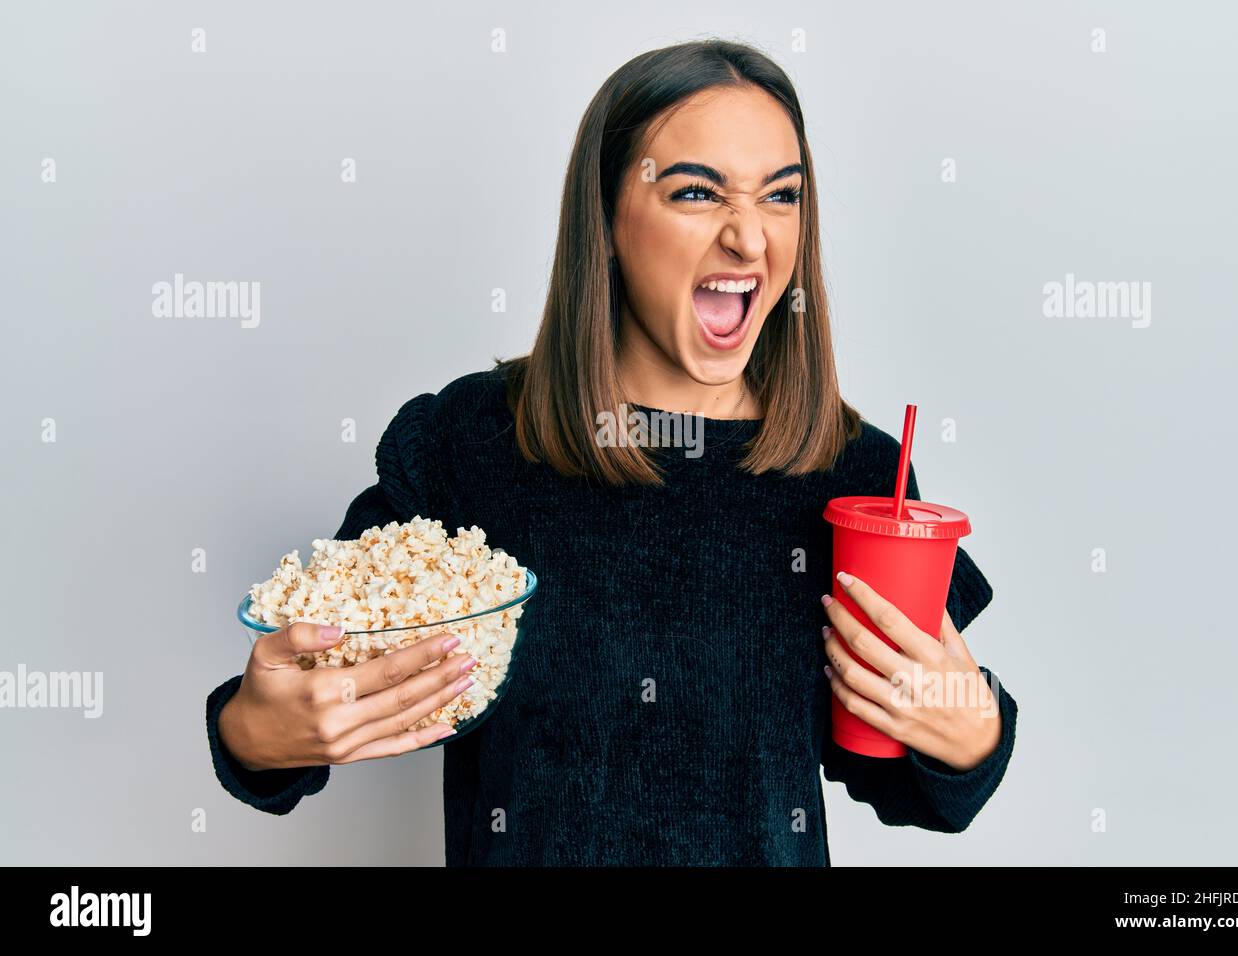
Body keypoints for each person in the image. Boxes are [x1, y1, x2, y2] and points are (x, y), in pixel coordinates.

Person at [208, 38, 1017, 866]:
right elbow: (309, 701)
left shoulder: (855, 477)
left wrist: (971, 730)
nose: (748, 238)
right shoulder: (468, 443)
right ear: (608, 215)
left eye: (781, 196)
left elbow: (909, 779)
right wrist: (255, 732)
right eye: (697, 193)